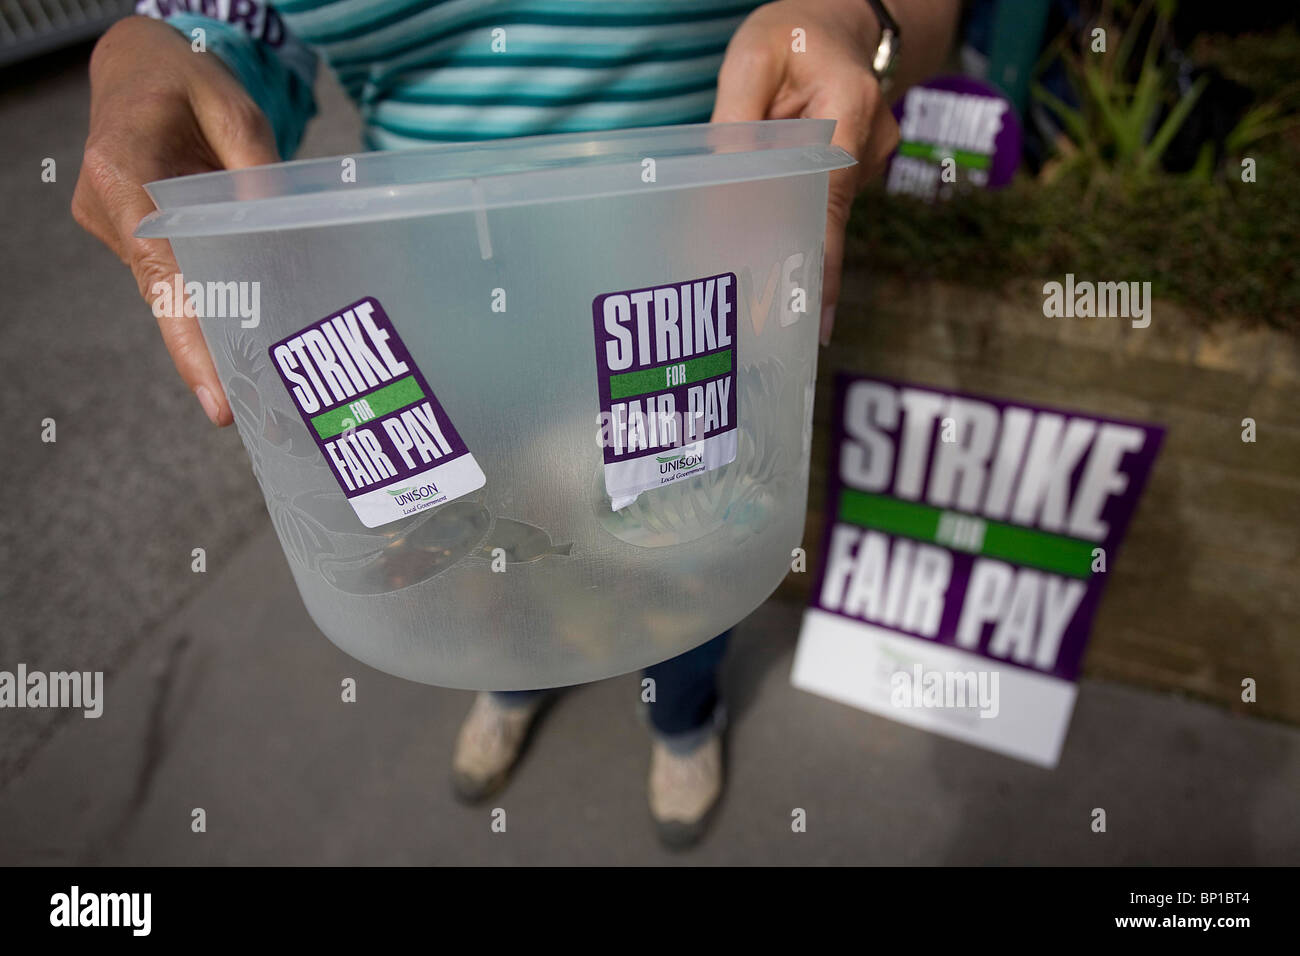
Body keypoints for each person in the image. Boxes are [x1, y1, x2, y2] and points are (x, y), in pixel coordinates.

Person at [73, 0, 959, 847]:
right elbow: (234, 31)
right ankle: (513, 678)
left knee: (689, 554)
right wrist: (157, 48)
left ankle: (682, 717)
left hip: (672, 316)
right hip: (441, 335)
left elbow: (921, 11)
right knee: (487, 562)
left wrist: (857, 21)